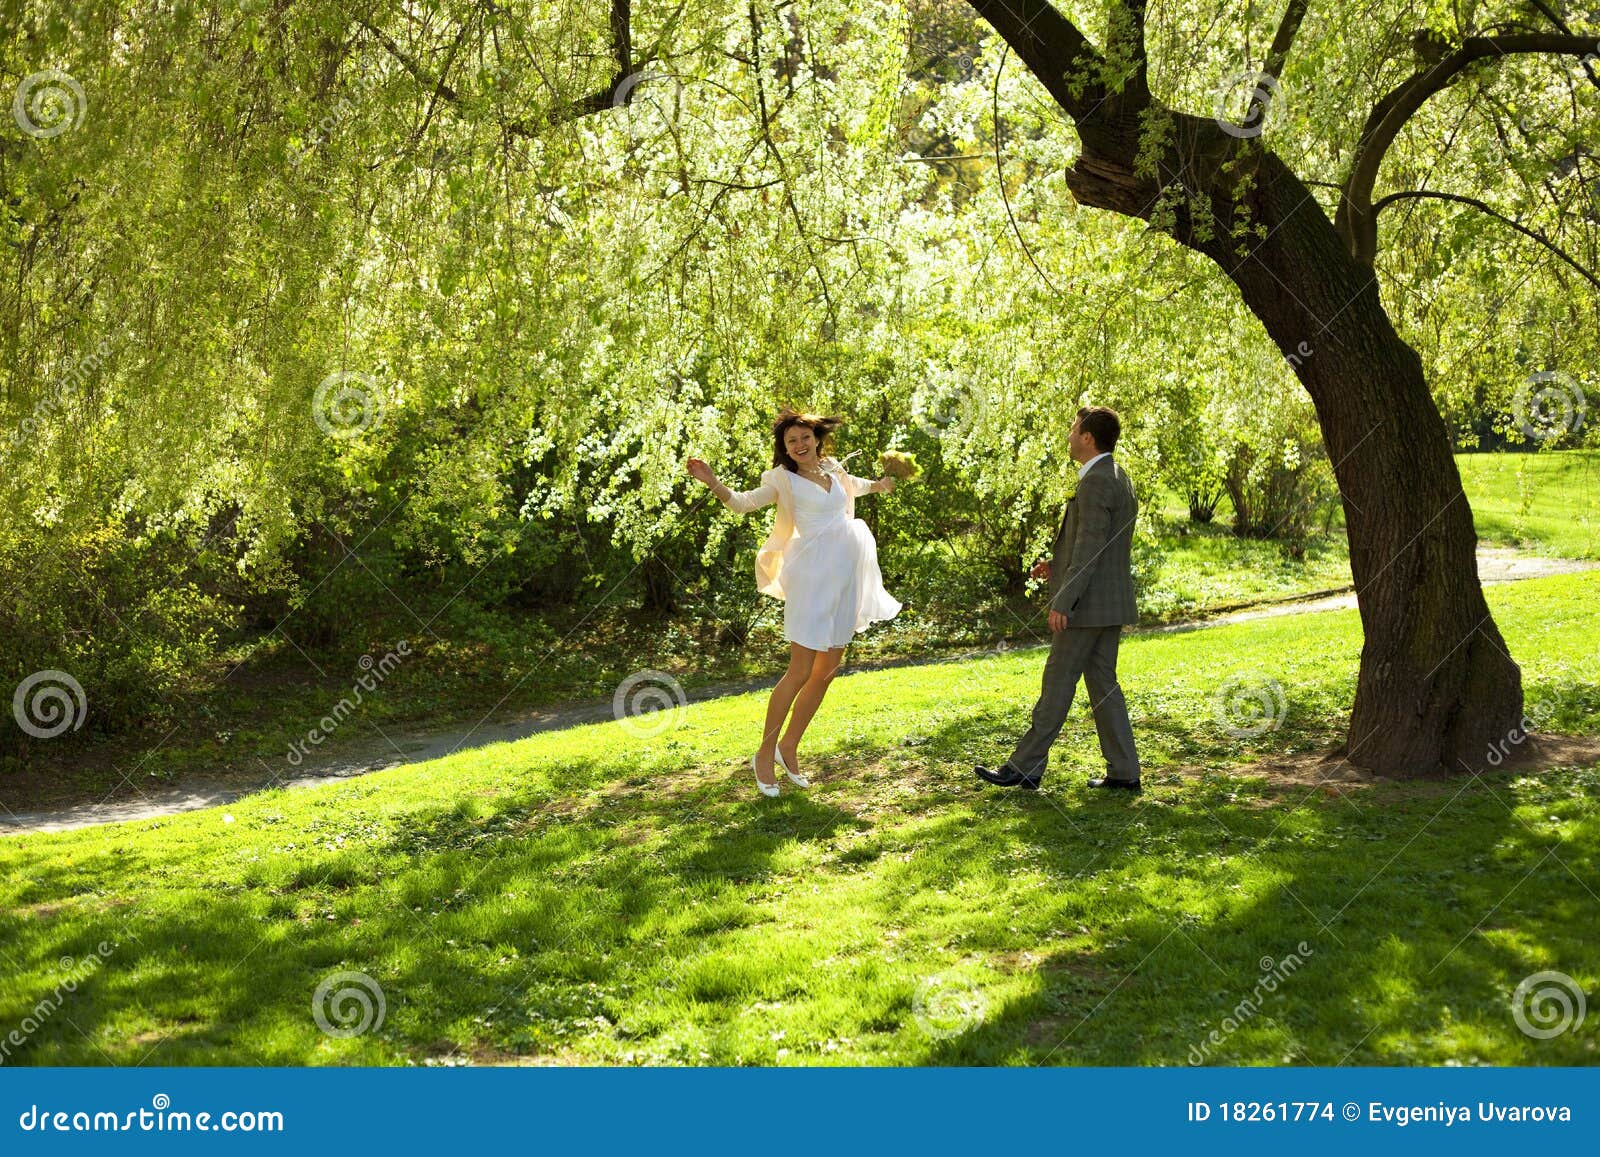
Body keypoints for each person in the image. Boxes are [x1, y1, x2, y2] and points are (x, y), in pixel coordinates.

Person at [687, 410, 902, 797]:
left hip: (845, 579)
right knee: (800, 669)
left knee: (827, 670)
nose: (799, 445)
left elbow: (859, 486)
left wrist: (884, 483)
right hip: (812, 578)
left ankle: (790, 745)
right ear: (784, 449)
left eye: (805, 437)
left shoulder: (834, 469)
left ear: (816, 439)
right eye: (791, 441)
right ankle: (765, 752)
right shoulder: (782, 480)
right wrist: (714, 483)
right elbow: (742, 503)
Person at [975, 405, 1141, 793]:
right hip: (1107, 603)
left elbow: (1091, 547)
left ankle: (1023, 766)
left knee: (1057, 682)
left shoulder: (1096, 480)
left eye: (1073, 429)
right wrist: (1056, 562)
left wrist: (1063, 601)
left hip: (1085, 607)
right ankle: (1124, 771)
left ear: (1087, 437)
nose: (1068, 435)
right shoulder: (1118, 475)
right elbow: (1095, 542)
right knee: (1104, 687)